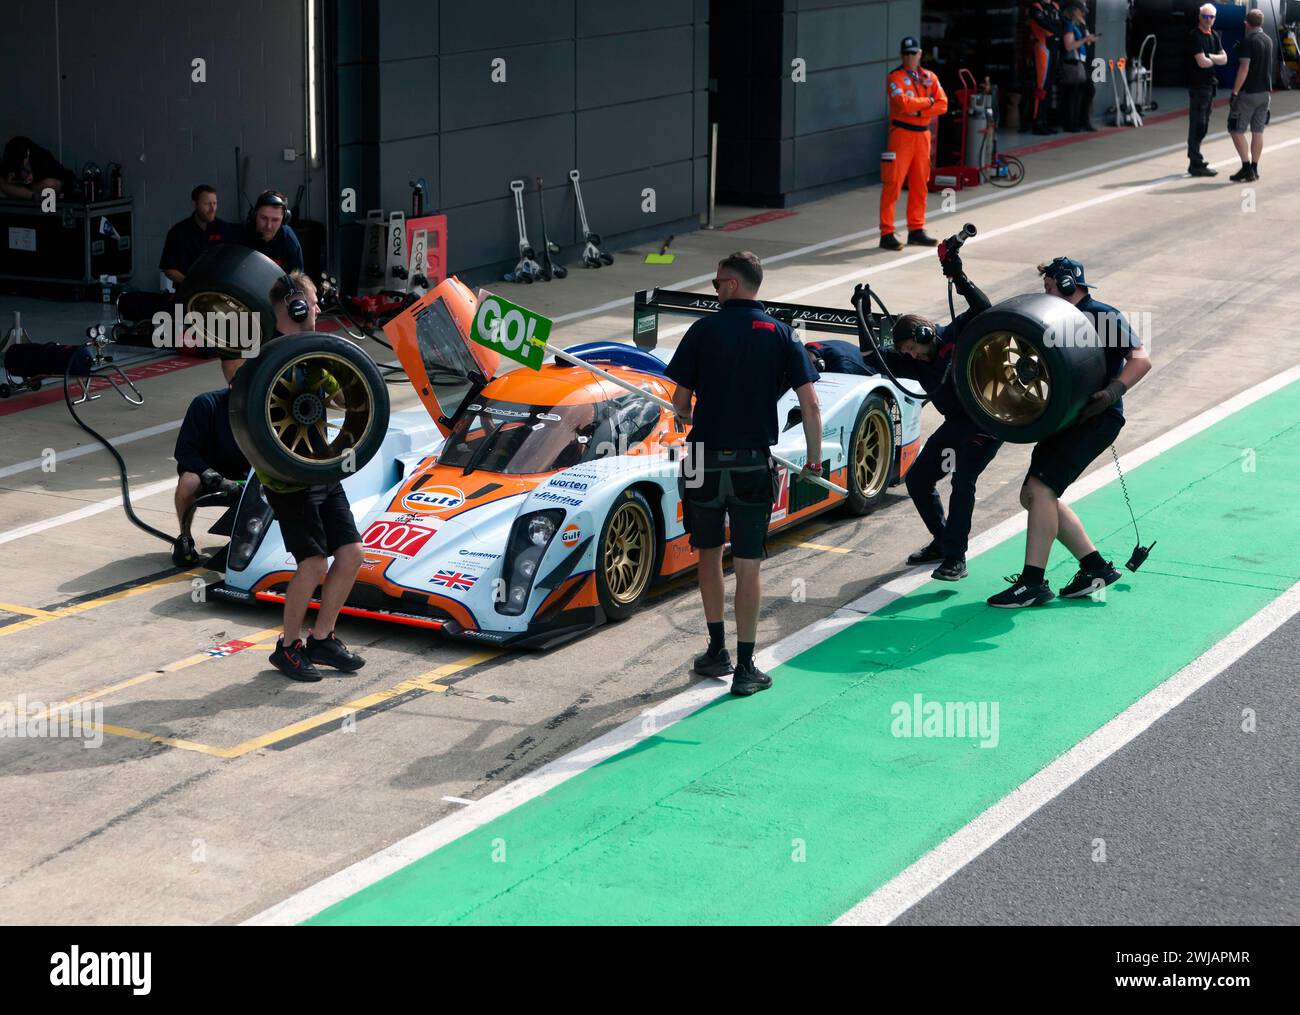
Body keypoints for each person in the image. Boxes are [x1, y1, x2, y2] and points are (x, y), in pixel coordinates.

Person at [665, 251, 823, 697]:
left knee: (709, 555)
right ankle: (746, 666)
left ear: (732, 285)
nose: (715, 291)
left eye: (717, 284)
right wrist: (813, 462)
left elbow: (679, 404)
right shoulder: (781, 334)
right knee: (748, 564)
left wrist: (687, 414)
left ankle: (717, 651)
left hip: (701, 460)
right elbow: (810, 405)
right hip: (753, 460)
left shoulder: (702, 330)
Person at [987, 257, 1151, 608]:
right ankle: (1094, 568)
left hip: (1097, 419)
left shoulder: (1101, 316)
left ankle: (1033, 583)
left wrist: (1112, 393)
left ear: (1065, 283)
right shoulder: (1051, 320)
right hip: (1064, 419)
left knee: (1041, 489)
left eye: (1049, 287)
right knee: (1032, 496)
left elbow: (1141, 359)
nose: (1045, 294)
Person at [866, 246, 1002, 581]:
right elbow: (871, 356)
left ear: (925, 334)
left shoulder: (955, 334)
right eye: (905, 353)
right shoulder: (911, 358)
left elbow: (983, 307)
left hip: (985, 421)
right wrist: (863, 315)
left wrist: (959, 277)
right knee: (918, 479)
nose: (911, 357)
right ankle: (942, 541)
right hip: (957, 424)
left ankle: (956, 559)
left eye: (912, 348)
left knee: (962, 480)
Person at [257, 272, 365, 680]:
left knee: (352, 554)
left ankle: (323, 639)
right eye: (313, 301)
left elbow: (342, 397)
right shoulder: (269, 357)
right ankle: (287, 648)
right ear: (295, 305)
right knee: (314, 562)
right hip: (287, 477)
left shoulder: (315, 354)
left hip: (321, 468)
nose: (318, 307)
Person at [171, 358, 251, 566]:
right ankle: (185, 539)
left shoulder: (265, 410)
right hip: (211, 478)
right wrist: (212, 477)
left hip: (249, 479)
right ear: (231, 385)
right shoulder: (205, 404)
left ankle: (253, 541)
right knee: (188, 481)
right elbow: (184, 451)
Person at [879, 36, 948, 252]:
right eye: (906, 53)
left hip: (922, 135)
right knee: (893, 183)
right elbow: (902, 104)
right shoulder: (894, 77)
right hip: (901, 135)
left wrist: (918, 108)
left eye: (914, 53)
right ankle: (886, 232)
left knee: (920, 183)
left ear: (920, 54)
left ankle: (916, 229)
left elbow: (943, 104)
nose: (910, 57)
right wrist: (927, 103)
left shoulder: (930, 77)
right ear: (902, 55)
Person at [1227, 9, 1274, 183]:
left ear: (1247, 23)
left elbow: (1244, 68)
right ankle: (1254, 168)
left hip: (1249, 93)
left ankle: (1246, 167)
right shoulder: (1268, 40)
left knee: (1235, 129)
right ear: (1261, 23)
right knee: (1257, 131)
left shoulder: (1248, 42)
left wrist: (1235, 92)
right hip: (1265, 93)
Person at [160, 185, 236, 287]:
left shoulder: (225, 229)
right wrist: (190, 283)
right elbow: (168, 269)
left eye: (215, 203)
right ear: (194, 204)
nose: (212, 209)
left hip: (217, 293)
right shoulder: (177, 232)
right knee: (177, 303)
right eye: (207, 204)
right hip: (184, 292)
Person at [1188, 5, 1227, 177]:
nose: (1208, 19)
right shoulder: (1194, 36)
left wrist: (1210, 56)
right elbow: (1200, 62)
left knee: (1204, 125)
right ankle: (1195, 161)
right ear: (1199, 17)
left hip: (1210, 85)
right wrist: (1214, 58)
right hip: (1198, 86)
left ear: (1215, 19)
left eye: (1211, 17)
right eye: (1205, 16)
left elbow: (1224, 59)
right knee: (1198, 123)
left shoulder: (1215, 35)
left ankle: (1195, 159)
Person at [238, 190, 305, 272]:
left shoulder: (290, 241)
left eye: (275, 220)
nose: (268, 226)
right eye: (263, 218)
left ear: (284, 220)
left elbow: (296, 280)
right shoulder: (241, 234)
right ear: (254, 215)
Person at [1026, 1, 1065, 134]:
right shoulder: (1035, 7)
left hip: (1054, 49)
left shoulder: (1055, 6)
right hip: (1043, 48)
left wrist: (1055, 29)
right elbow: (1046, 26)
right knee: (1041, 87)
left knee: (1049, 86)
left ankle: (1045, 121)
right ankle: (1037, 121)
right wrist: (1055, 29)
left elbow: (1061, 25)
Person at [1059, 3, 1099, 133]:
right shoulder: (1069, 25)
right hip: (1072, 62)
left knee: (1086, 91)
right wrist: (1085, 38)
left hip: (1081, 62)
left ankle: (1083, 121)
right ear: (1075, 11)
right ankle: (1071, 123)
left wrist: (1085, 28)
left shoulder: (1078, 26)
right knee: (1073, 94)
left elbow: (1087, 42)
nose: (1084, 14)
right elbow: (1069, 46)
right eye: (1081, 12)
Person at [0, 136, 76, 200]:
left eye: (22, 161)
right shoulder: (11, 161)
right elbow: (5, 180)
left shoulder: (42, 159)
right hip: (25, 190)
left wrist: (27, 187)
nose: (21, 165)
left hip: (43, 188)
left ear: (28, 152)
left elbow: (56, 182)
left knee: (51, 184)